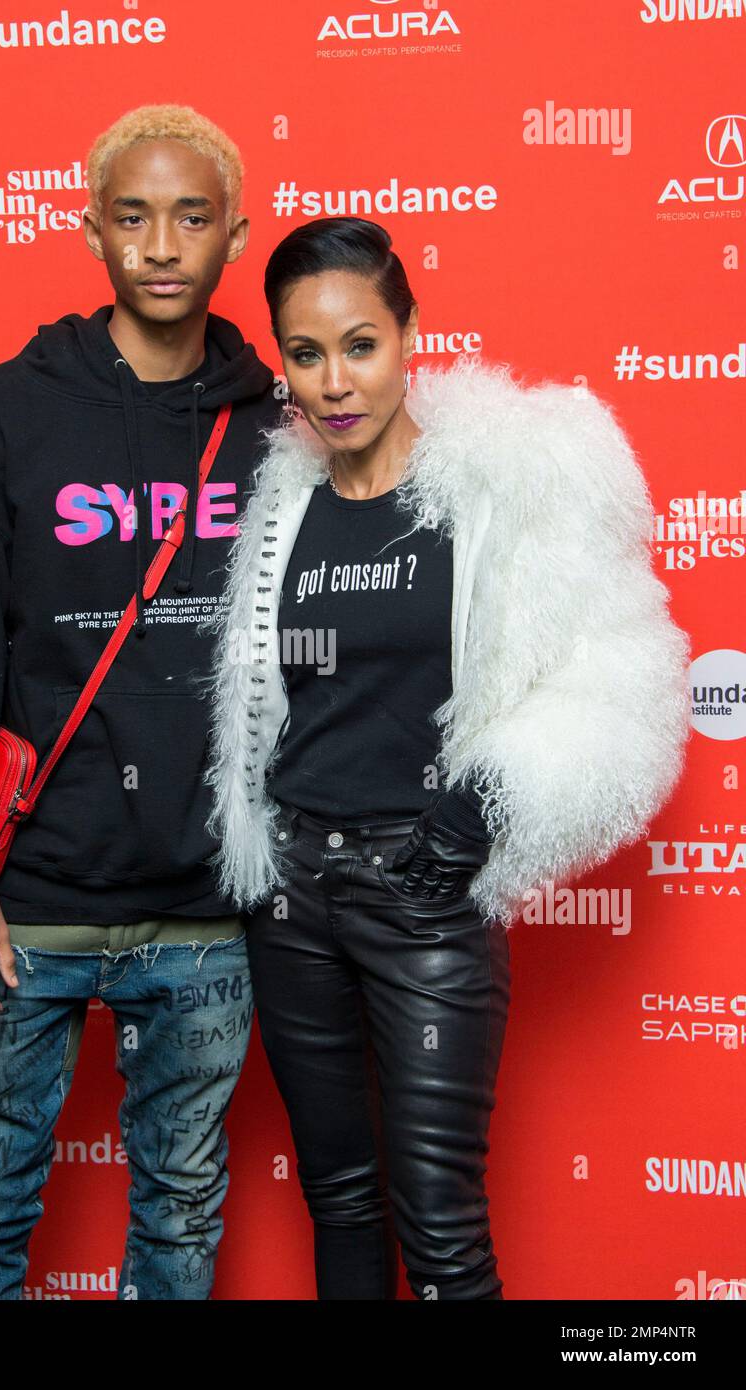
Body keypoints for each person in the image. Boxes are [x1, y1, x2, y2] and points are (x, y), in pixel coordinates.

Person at [199, 216, 691, 1299]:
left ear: (411, 331)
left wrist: (486, 801)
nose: (336, 382)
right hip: (290, 899)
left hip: (423, 891)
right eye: (306, 353)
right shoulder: (280, 505)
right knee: (339, 1196)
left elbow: (622, 669)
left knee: (442, 1224)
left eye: (361, 343)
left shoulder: (501, 488)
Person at [0, 105, 282, 1300]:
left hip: (208, 913)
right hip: (26, 909)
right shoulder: (3, 412)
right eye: (133, 216)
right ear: (90, 231)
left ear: (234, 236)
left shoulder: (273, 427)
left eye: (193, 218)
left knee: (179, 1223)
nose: (163, 244)